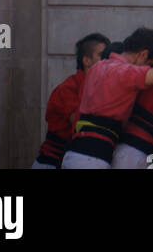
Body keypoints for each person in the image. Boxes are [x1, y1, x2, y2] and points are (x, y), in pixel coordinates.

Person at [62, 26, 153, 169]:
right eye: (149, 65)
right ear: (143, 55)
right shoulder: (127, 74)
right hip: (93, 158)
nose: (148, 69)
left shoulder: (98, 67)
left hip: (73, 153)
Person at [31, 32, 110, 169]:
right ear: (86, 61)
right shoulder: (67, 88)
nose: (107, 60)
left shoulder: (100, 86)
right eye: (102, 55)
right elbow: (79, 122)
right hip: (52, 162)